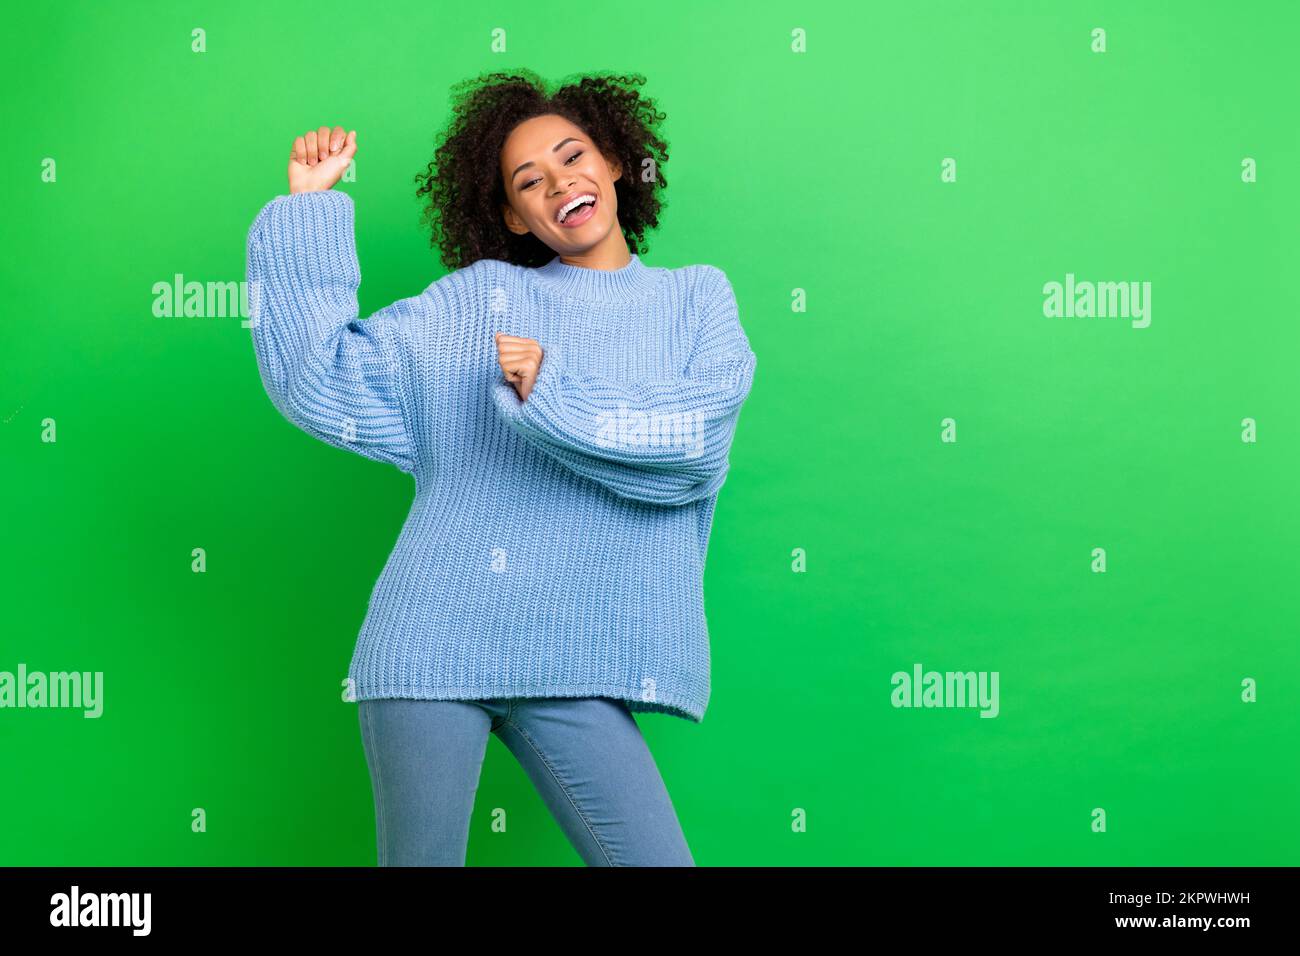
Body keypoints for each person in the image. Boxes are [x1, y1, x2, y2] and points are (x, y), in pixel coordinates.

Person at [245, 71, 757, 866]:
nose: (559, 184)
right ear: (515, 216)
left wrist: (552, 392)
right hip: (429, 645)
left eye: (572, 156)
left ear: (615, 162)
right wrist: (309, 212)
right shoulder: (477, 303)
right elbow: (322, 381)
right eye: (528, 181)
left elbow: (692, 446)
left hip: (578, 658)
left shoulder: (695, 300)